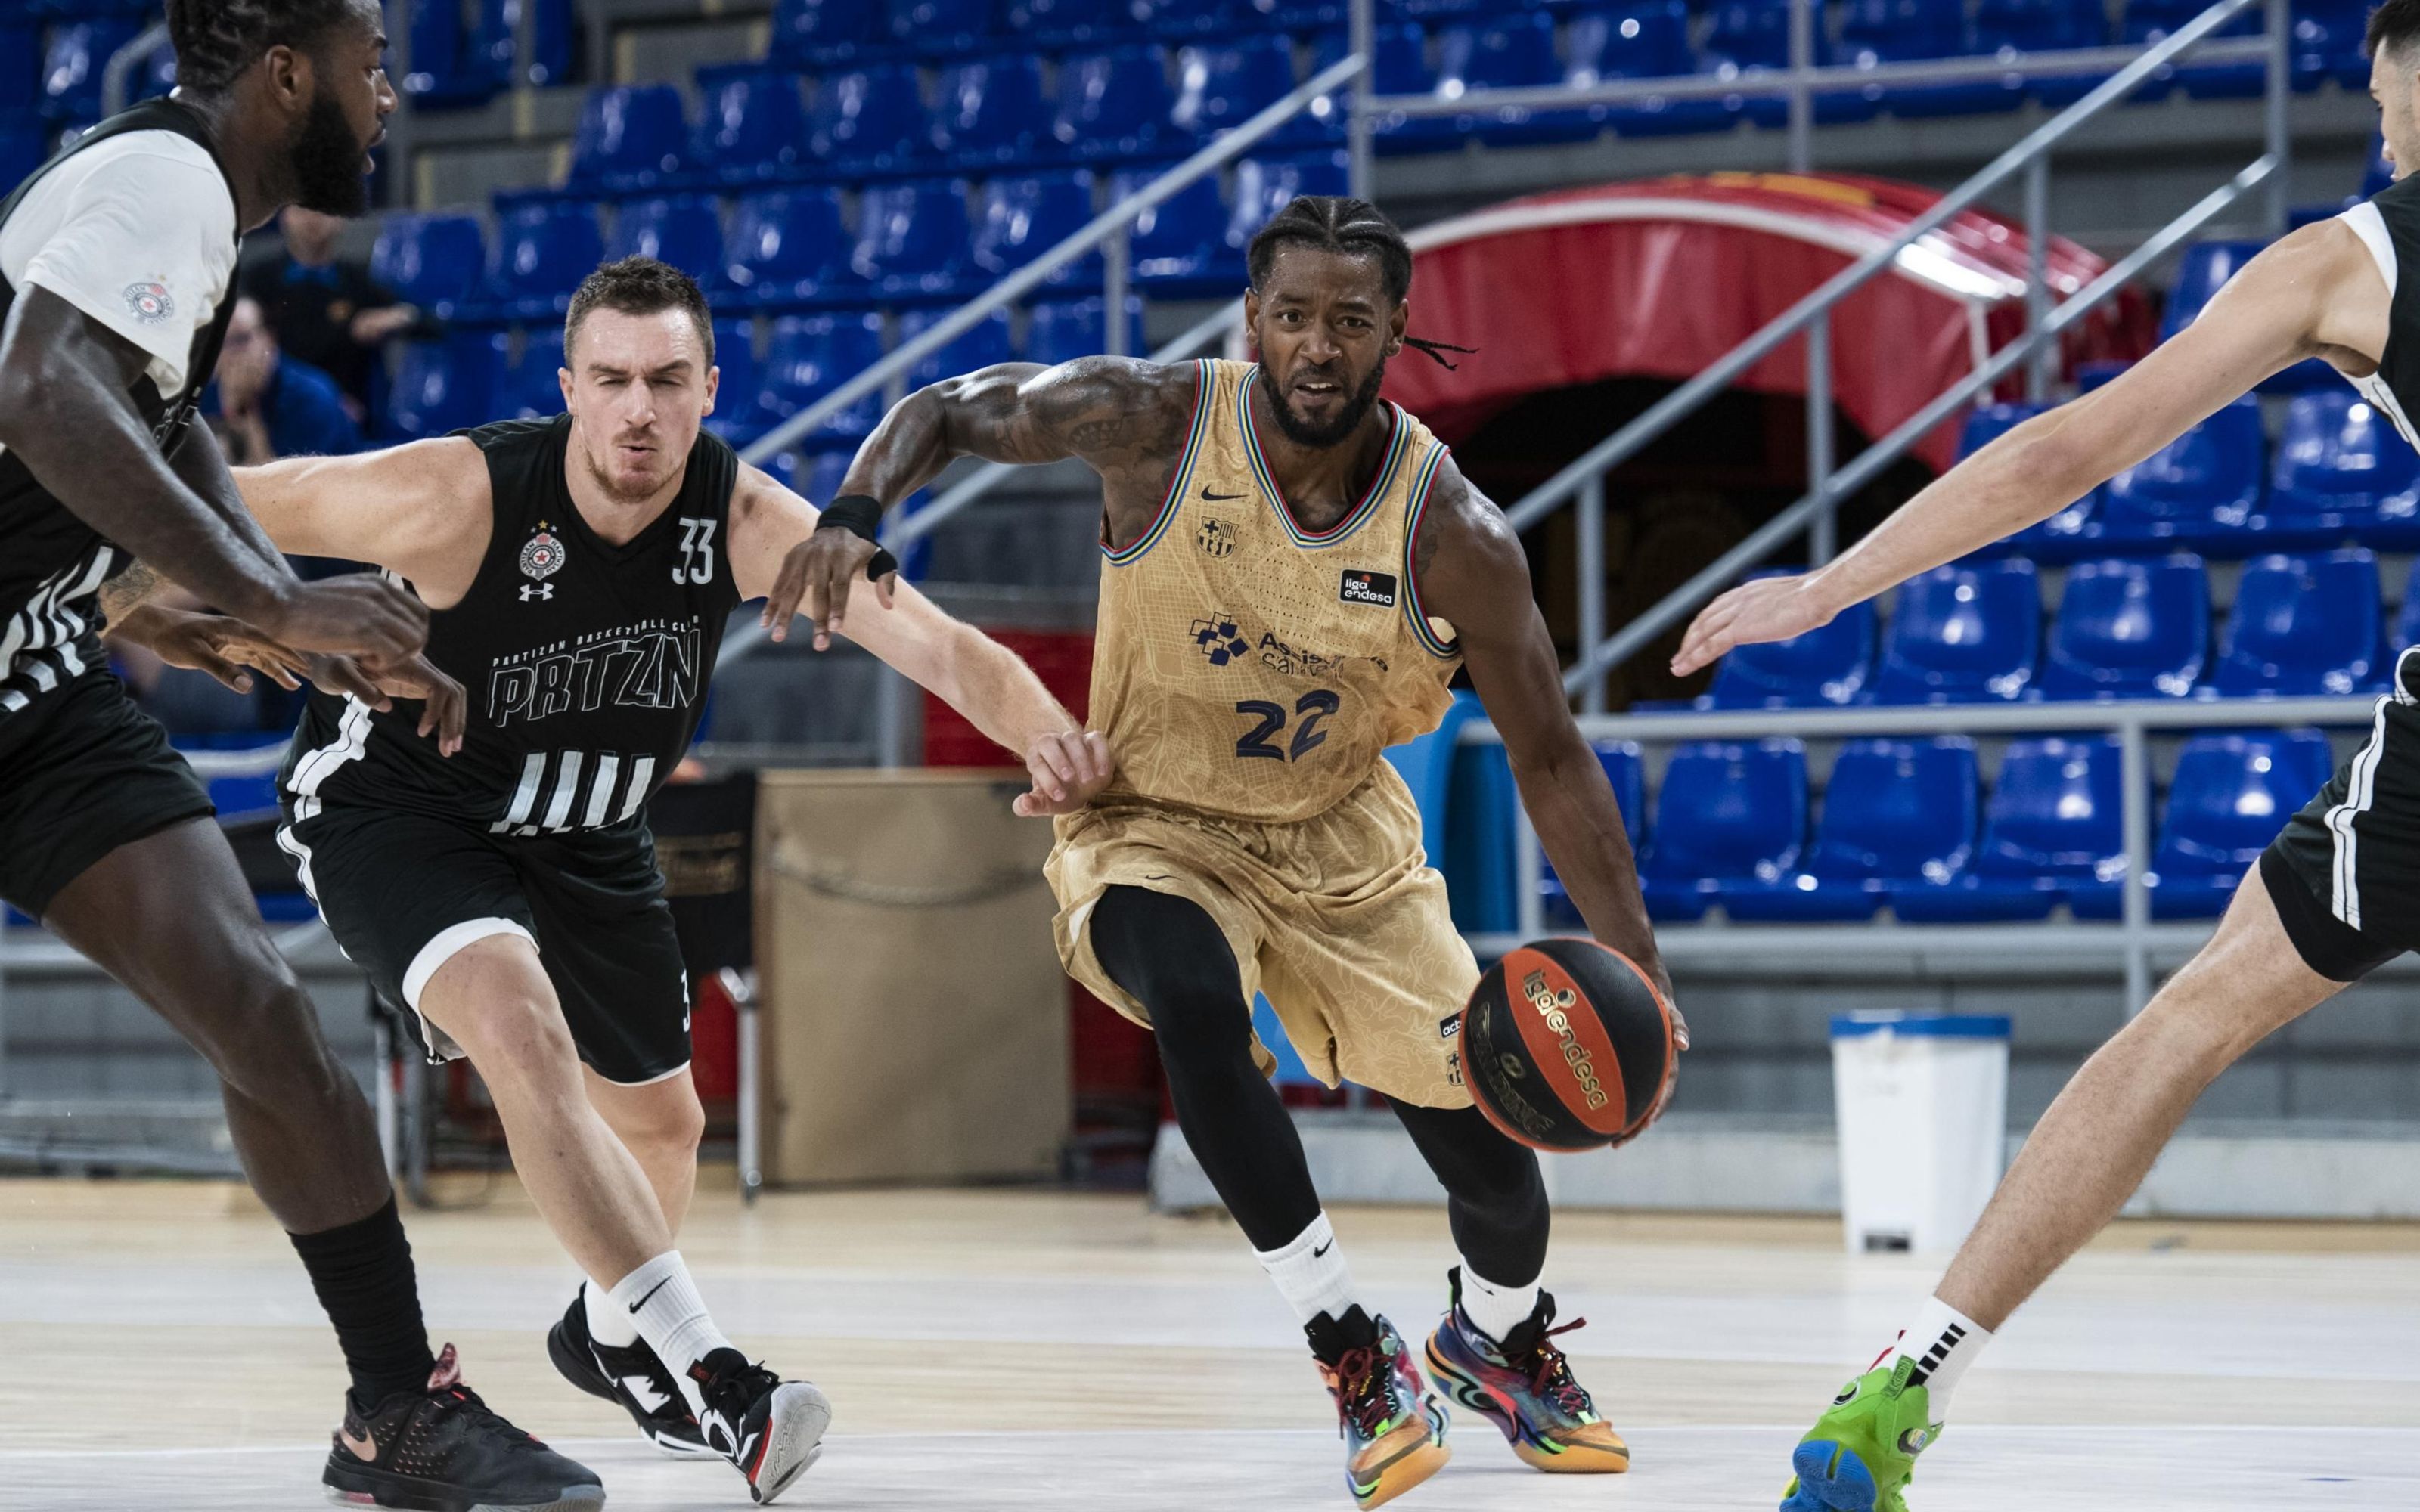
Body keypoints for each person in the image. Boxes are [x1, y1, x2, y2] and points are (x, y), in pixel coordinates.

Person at [792, 196, 1676, 1510]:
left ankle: (1498, 1335)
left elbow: (1552, 757)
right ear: (1254, 321)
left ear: (1395, 332)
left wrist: (1637, 967)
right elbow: (951, 404)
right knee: (1197, 1011)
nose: (1321, 346)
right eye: (1297, 317)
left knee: (1494, 1149)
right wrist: (856, 507)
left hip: (1346, 854)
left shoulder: (1456, 535)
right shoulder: (1151, 419)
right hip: (1152, 821)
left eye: (1352, 321)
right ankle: (1349, 1348)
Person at [1671, 9, 2420, 1510]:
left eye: (2381, 83)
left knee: (2185, 1021)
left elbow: (2058, 456)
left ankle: (1902, 1386)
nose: (2372, 113)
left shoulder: (2348, 260)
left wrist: (1824, 589)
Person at [222, 254, 1114, 1502]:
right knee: (518, 1024)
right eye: (612, 381)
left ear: (708, 389)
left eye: (666, 382)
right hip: (404, 811)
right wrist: (196, 599)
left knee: (664, 1127)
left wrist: (1051, 738)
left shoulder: (747, 520)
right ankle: (716, 1379)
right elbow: (236, 496)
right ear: (569, 389)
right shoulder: (458, 496)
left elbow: (944, 647)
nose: (638, 410)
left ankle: (608, 1332)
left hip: (588, 827)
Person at [0, 2, 597, 1509]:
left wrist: (209, 604)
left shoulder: (185, 226)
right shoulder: (162, 185)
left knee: (263, 1016)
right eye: (369, 61)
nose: (388, 93)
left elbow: (146, 434)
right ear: (286, 75)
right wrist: (269, 594)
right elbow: (36, 389)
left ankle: (397, 1410)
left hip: (34, 695)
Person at [240, 202, 414, 417]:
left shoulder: (358, 280)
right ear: (284, 217)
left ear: (341, 219)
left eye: (323, 209)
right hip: (274, 408)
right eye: (302, 209)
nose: (312, 218)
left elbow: (422, 320)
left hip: (347, 413)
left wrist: (393, 318)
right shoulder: (260, 277)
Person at [209, 293, 365, 463]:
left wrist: (246, 411)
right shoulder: (207, 388)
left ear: (268, 337)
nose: (230, 353)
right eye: (218, 342)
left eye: (240, 339)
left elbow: (282, 485)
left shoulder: (310, 396)